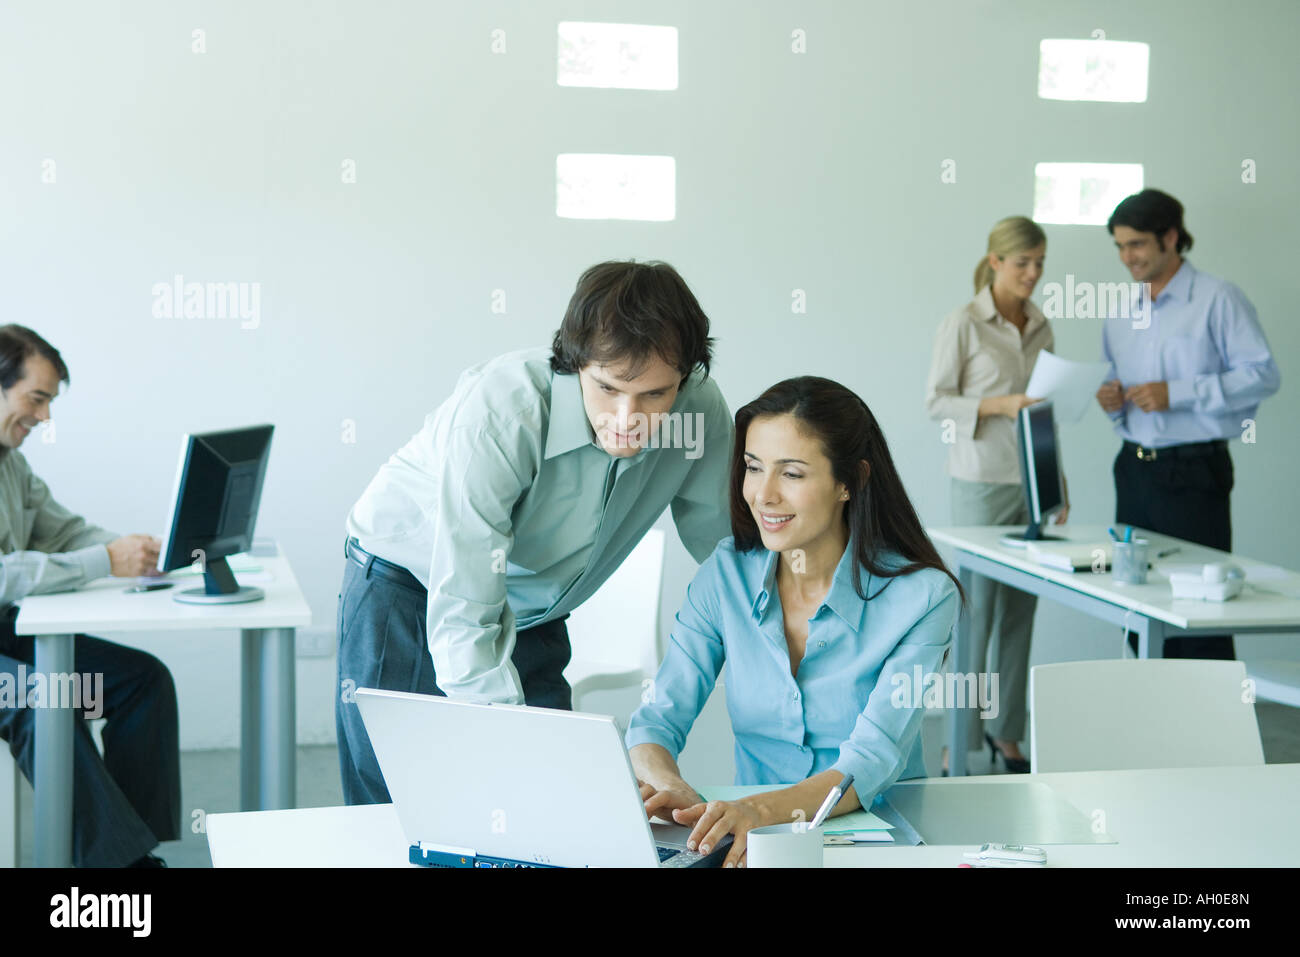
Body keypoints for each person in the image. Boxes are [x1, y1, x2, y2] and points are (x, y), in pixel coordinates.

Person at [337, 260, 734, 805]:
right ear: (575, 363)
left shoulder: (700, 413)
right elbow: (464, 607)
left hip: (537, 609)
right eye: (609, 388)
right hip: (409, 587)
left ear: (686, 378)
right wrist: (512, 749)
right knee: (403, 807)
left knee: (548, 812)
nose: (628, 417)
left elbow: (729, 554)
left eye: (655, 396)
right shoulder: (505, 411)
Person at [626, 376, 962, 868]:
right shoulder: (725, 576)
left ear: (851, 481)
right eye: (753, 467)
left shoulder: (923, 598)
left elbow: (869, 762)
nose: (762, 495)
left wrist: (756, 811)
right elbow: (656, 718)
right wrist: (673, 790)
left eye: (792, 474)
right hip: (752, 847)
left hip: (878, 843)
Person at [0, 324, 181, 867]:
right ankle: (124, 871)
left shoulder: (12, 464)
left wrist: (131, 550)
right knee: (45, 699)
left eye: (50, 402)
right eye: (37, 399)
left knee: (139, 681)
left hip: (8, 632)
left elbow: (64, 531)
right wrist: (105, 561)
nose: (45, 417)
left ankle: (133, 843)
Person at [1095, 189, 1280, 659]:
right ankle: (1149, 722)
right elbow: (1112, 377)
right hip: (1133, 470)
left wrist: (1176, 393)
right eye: (1119, 246)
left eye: (1135, 244)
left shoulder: (1218, 298)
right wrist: (1111, 398)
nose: (1126, 257)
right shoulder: (1121, 309)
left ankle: (1208, 729)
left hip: (1194, 473)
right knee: (1136, 604)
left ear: (1171, 237)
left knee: (1199, 610)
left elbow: (1262, 374)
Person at [924, 215, 1065, 774]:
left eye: (1041, 263)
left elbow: (1048, 411)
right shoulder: (963, 322)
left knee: (1019, 614)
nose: (1033, 273)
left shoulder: (1042, 326)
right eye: (1024, 262)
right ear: (996, 261)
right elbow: (936, 401)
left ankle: (1008, 737)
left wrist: (1059, 483)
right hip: (980, 480)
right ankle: (961, 739)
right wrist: (999, 405)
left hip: (1032, 481)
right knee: (975, 614)